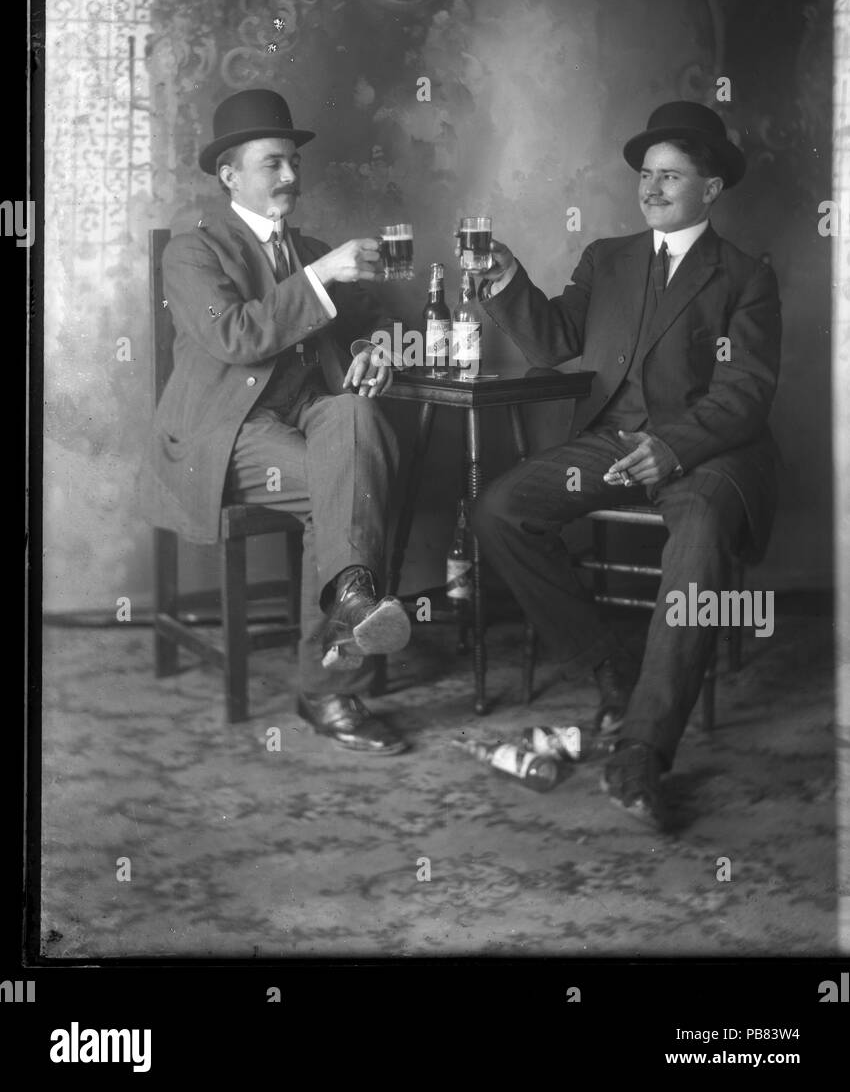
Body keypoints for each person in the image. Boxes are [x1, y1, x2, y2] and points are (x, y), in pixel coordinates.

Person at [472, 101, 782, 830]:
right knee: (499, 510)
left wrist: (674, 448)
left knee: (700, 528)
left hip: (707, 453)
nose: (652, 188)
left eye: (671, 176)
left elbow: (747, 396)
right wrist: (511, 280)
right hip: (613, 444)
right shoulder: (606, 259)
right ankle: (610, 666)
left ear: (710, 188)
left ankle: (644, 746)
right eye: (646, 175)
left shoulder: (745, 276)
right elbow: (553, 340)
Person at [143, 89, 411, 755]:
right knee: (344, 487)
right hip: (225, 434)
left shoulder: (313, 249)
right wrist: (321, 275)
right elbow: (236, 336)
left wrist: (372, 351)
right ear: (230, 175)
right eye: (273, 164)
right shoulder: (192, 252)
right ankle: (329, 681)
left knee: (355, 416)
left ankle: (350, 593)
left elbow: (369, 324)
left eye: (293, 162)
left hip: (304, 417)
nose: (290, 176)